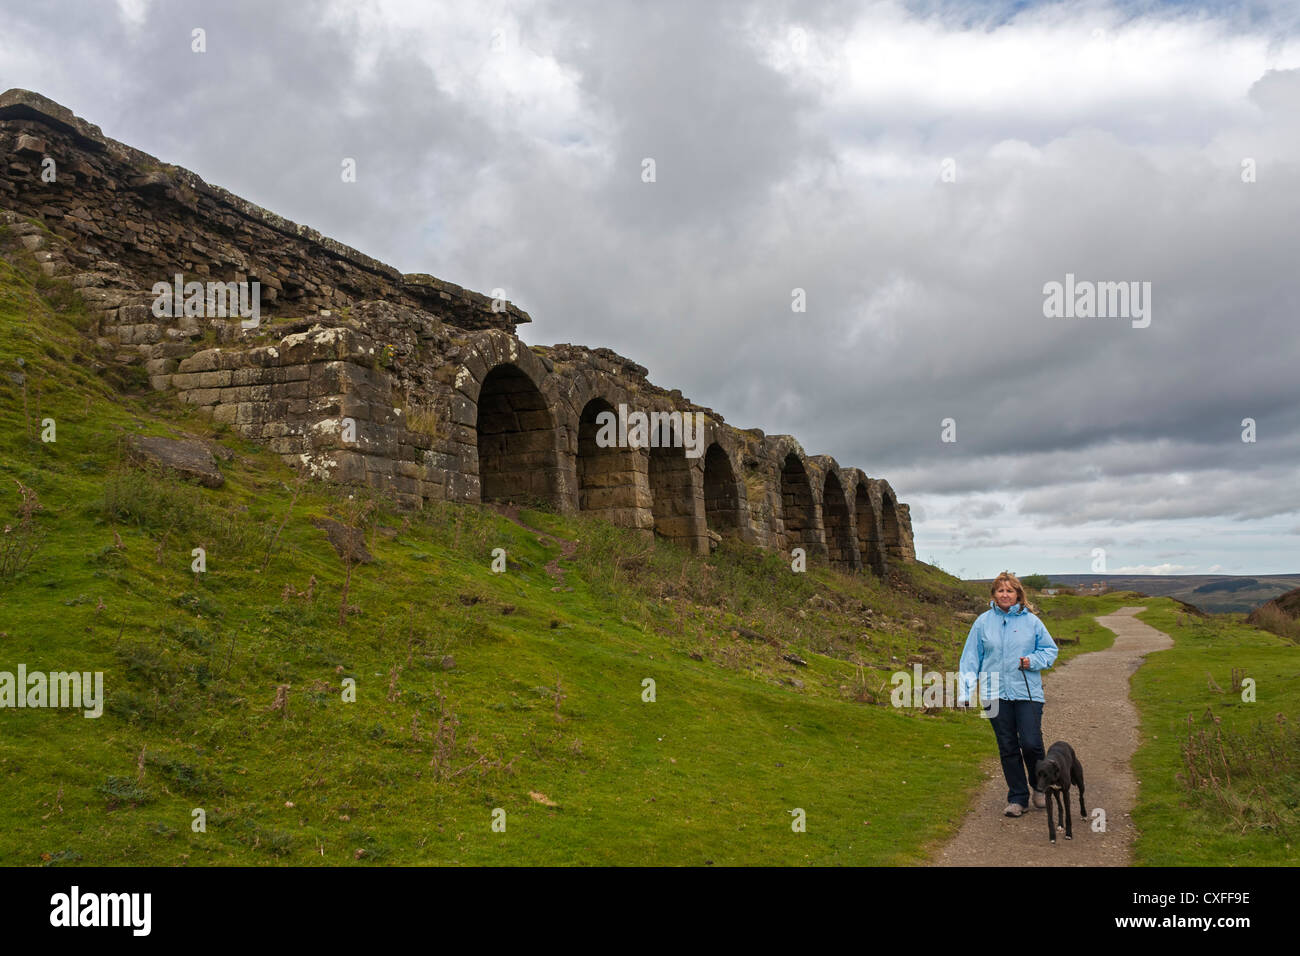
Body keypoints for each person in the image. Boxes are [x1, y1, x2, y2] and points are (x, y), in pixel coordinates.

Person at [956, 571, 1059, 817]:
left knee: (1031, 743)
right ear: (993, 595)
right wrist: (965, 691)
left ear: (1018, 595)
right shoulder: (982, 622)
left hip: (1028, 692)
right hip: (994, 693)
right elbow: (971, 658)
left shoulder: (1032, 622)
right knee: (1007, 746)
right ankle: (1017, 798)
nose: (1005, 595)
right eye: (1000, 590)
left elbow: (1049, 650)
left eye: (1010, 590)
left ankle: (1039, 787)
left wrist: (1032, 660)